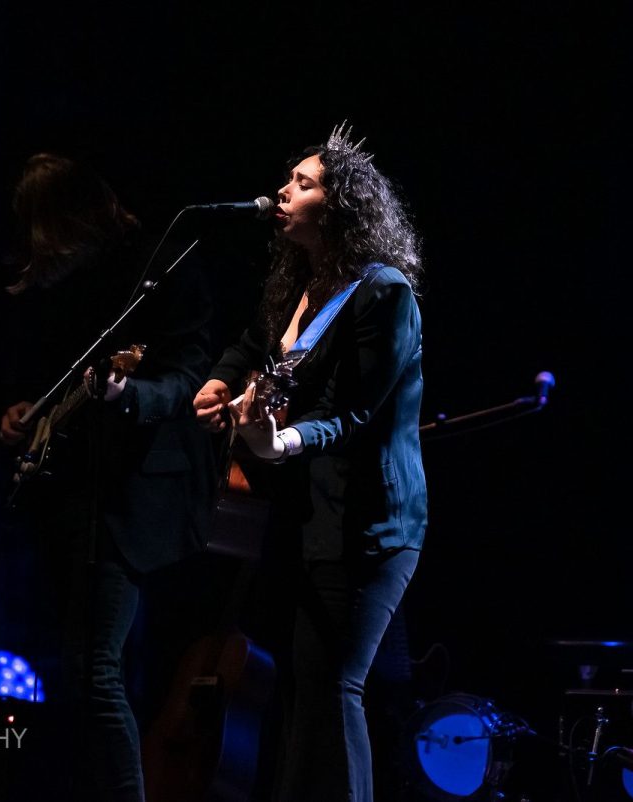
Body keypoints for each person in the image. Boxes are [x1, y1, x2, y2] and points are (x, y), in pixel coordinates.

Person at [193, 124, 428, 801]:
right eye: (288, 179)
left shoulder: (383, 294)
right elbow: (251, 345)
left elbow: (355, 414)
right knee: (296, 689)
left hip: (369, 523)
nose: (284, 190)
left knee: (334, 687)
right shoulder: (301, 285)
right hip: (301, 517)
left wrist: (279, 442)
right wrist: (220, 379)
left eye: (303, 182)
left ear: (342, 206)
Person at [0, 153, 214, 801]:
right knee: (73, 669)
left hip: (138, 492)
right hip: (74, 492)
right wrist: (22, 412)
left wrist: (126, 394)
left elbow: (185, 380)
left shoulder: (165, 264)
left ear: (71, 221)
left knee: (96, 670)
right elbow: (51, 377)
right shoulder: (75, 284)